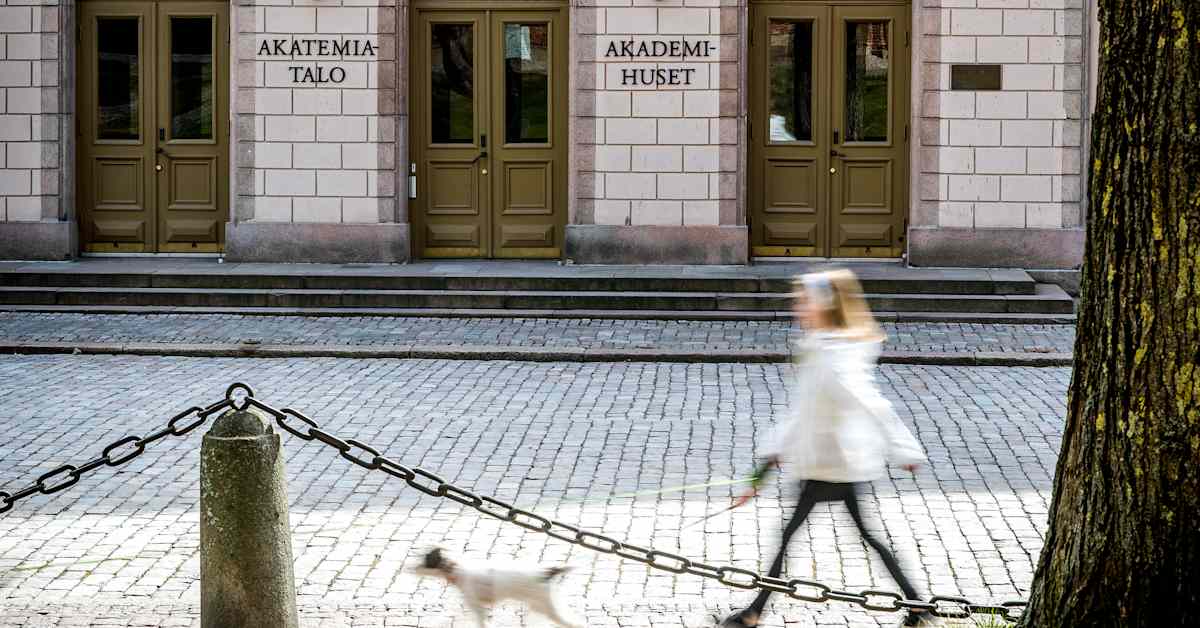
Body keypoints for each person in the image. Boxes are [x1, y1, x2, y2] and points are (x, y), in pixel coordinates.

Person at [721, 270, 933, 628]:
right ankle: (918, 606)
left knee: (792, 536)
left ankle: (753, 613)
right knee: (862, 535)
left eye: (804, 301)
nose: (798, 307)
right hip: (829, 462)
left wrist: (905, 449)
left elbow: (872, 404)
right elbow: (799, 416)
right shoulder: (821, 347)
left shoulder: (836, 357)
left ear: (823, 306)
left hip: (833, 464)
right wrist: (761, 472)